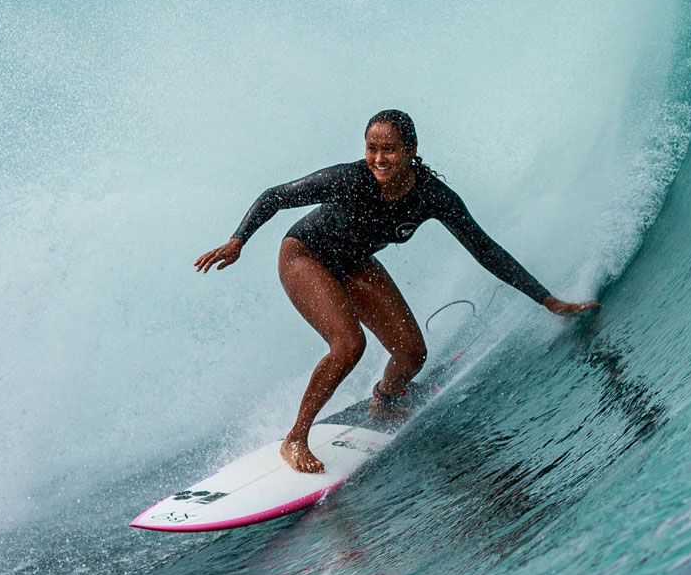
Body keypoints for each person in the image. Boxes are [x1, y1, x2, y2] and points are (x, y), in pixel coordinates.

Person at [196, 110, 594, 474]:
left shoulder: (432, 196)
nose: (379, 159)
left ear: (411, 150)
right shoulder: (350, 178)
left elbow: (484, 250)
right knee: (348, 345)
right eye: (372, 148)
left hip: (354, 263)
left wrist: (549, 301)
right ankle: (295, 439)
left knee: (411, 352)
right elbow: (276, 196)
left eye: (390, 149)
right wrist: (238, 240)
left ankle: (384, 401)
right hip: (306, 255)